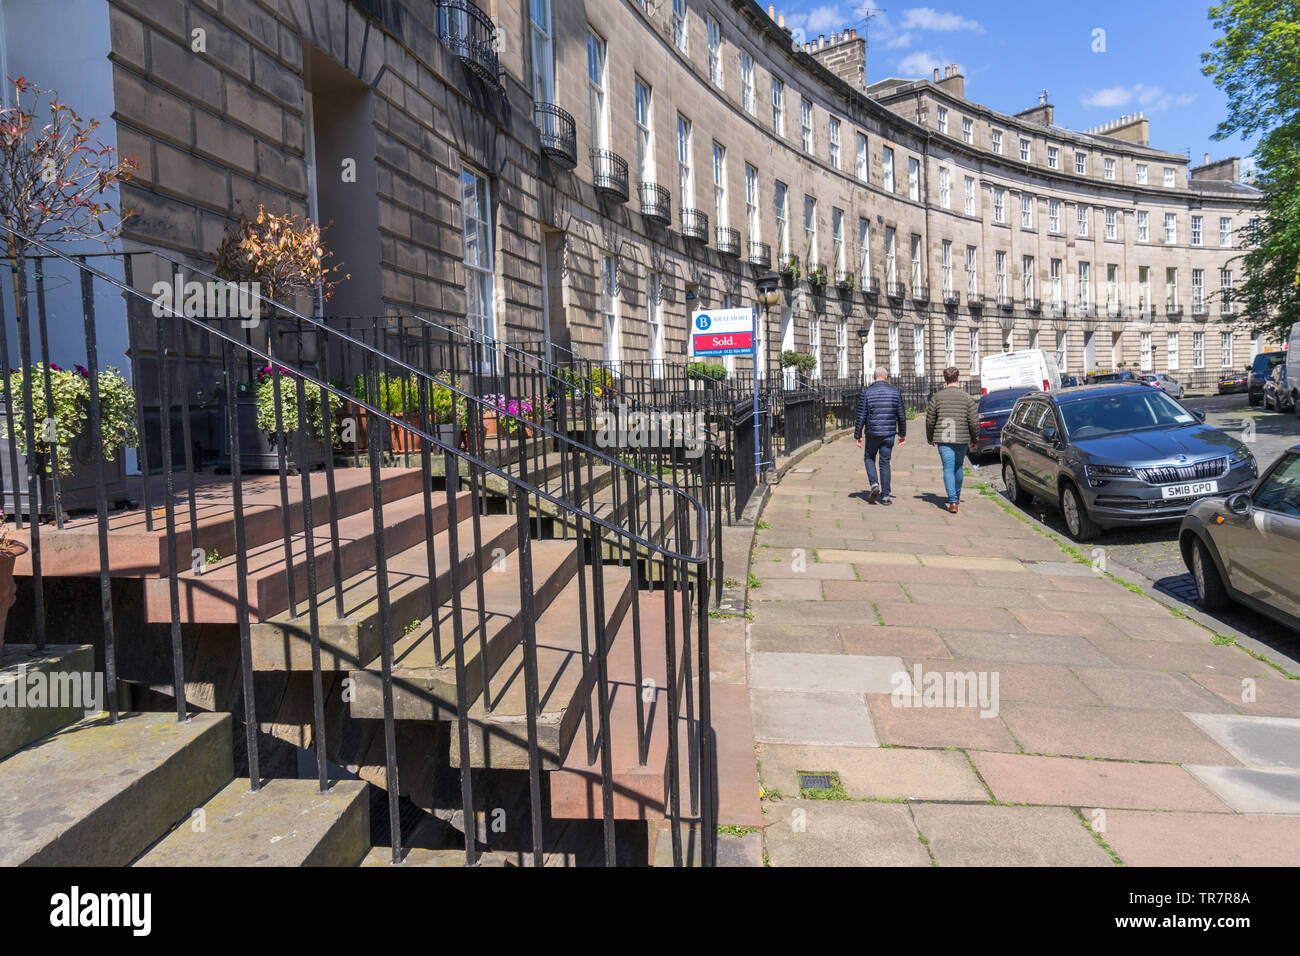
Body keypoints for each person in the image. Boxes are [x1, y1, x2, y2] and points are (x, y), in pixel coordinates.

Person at [924, 366, 979, 514]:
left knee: (948, 468)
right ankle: (957, 495)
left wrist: (930, 437)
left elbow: (930, 420)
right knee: (958, 467)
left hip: (943, 438)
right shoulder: (967, 398)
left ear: (945, 379)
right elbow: (974, 422)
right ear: (958, 378)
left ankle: (953, 501)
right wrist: (974, 439)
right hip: (961, 438)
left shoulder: (937, 397)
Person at [854, 366, 906, 505]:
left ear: (873, 377)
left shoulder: (867, 392)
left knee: (869, 458)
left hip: (873, 432)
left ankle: (874, 484)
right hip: (889, 433)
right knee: (885, 463)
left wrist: (857, 435)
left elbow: (861, 416)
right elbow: (901, 415)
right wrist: (902, 434)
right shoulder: (895, 392)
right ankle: (886, 496)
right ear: (886, 377)